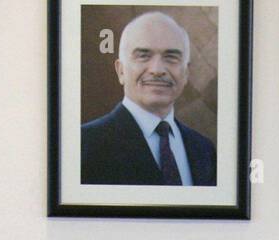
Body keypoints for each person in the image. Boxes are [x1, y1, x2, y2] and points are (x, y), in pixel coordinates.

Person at [80, 11, 217, 186]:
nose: (157, 69)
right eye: (143, 55)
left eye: (171, 57)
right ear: (121, 71)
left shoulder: (204, 150)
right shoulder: (83, 146)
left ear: (185, 74)